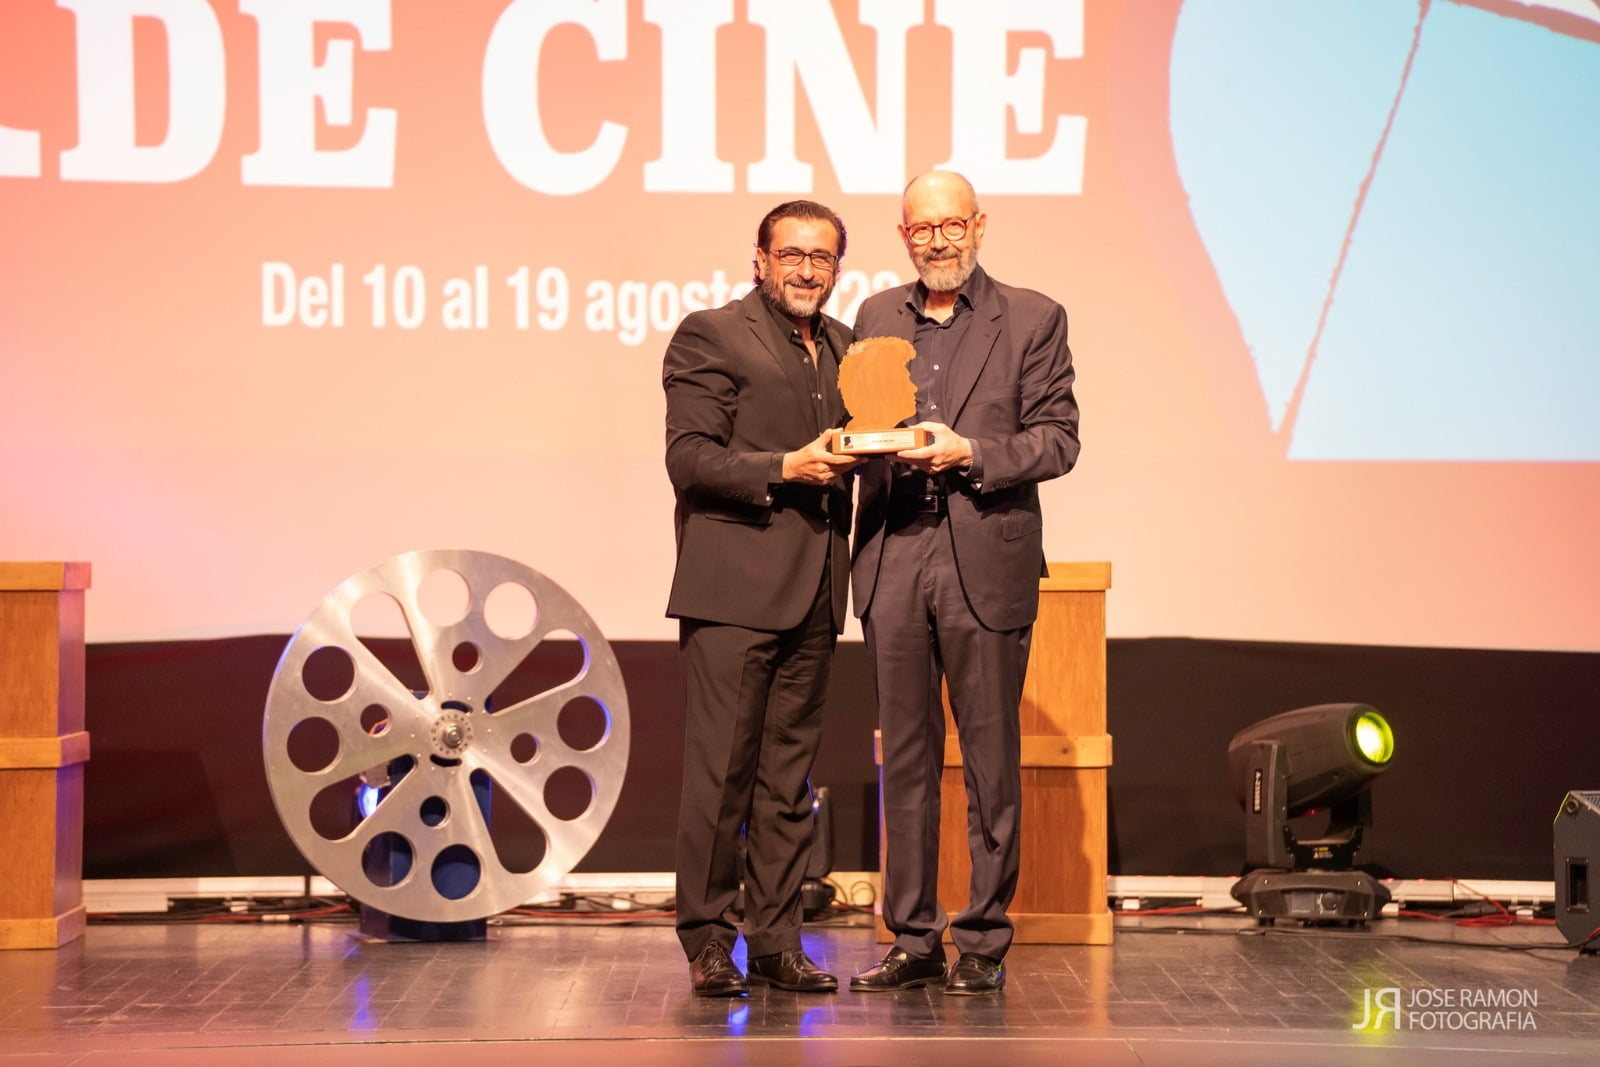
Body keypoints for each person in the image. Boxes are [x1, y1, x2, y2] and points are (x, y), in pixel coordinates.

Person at [848, 171, 1080, 995]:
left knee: (989, 759)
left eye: (951, 225)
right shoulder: (873, 316)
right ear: (903, 234)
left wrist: (970, 453)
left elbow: (1058, 440)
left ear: (979, 225)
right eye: (922, 229)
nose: (938, 241)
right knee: (904, 758)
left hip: (986, 551)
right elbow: (855, 417)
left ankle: (981, 937)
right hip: (893, 554)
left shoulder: (1032, 315)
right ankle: (913, 935)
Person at [663, 200, 859, 997]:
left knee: (789, 780)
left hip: (816, 589)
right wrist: (786, 466)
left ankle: (777, 940)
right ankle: (710, 939)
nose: (807, 269)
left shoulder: (849, 347)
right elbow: (691, 459)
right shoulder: (711, 333)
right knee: (721, 777)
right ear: (760, 260)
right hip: (734, 591)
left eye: (822, 258)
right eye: (792, 254)